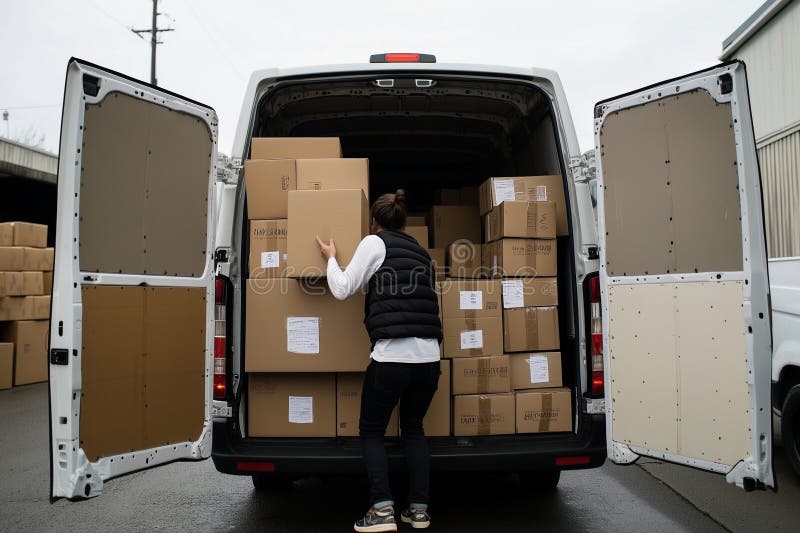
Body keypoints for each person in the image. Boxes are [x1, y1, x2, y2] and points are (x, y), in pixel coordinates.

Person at [316, 189, 442, 532]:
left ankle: (382, 509)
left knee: (371, 431)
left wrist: (331, 257)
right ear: (404, 221)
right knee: (414, 428)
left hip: (392, 358)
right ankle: (418, 511)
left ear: (374, 222)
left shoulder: (374, 243)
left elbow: (342, 288)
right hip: (430, 360)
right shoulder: (421, 253)